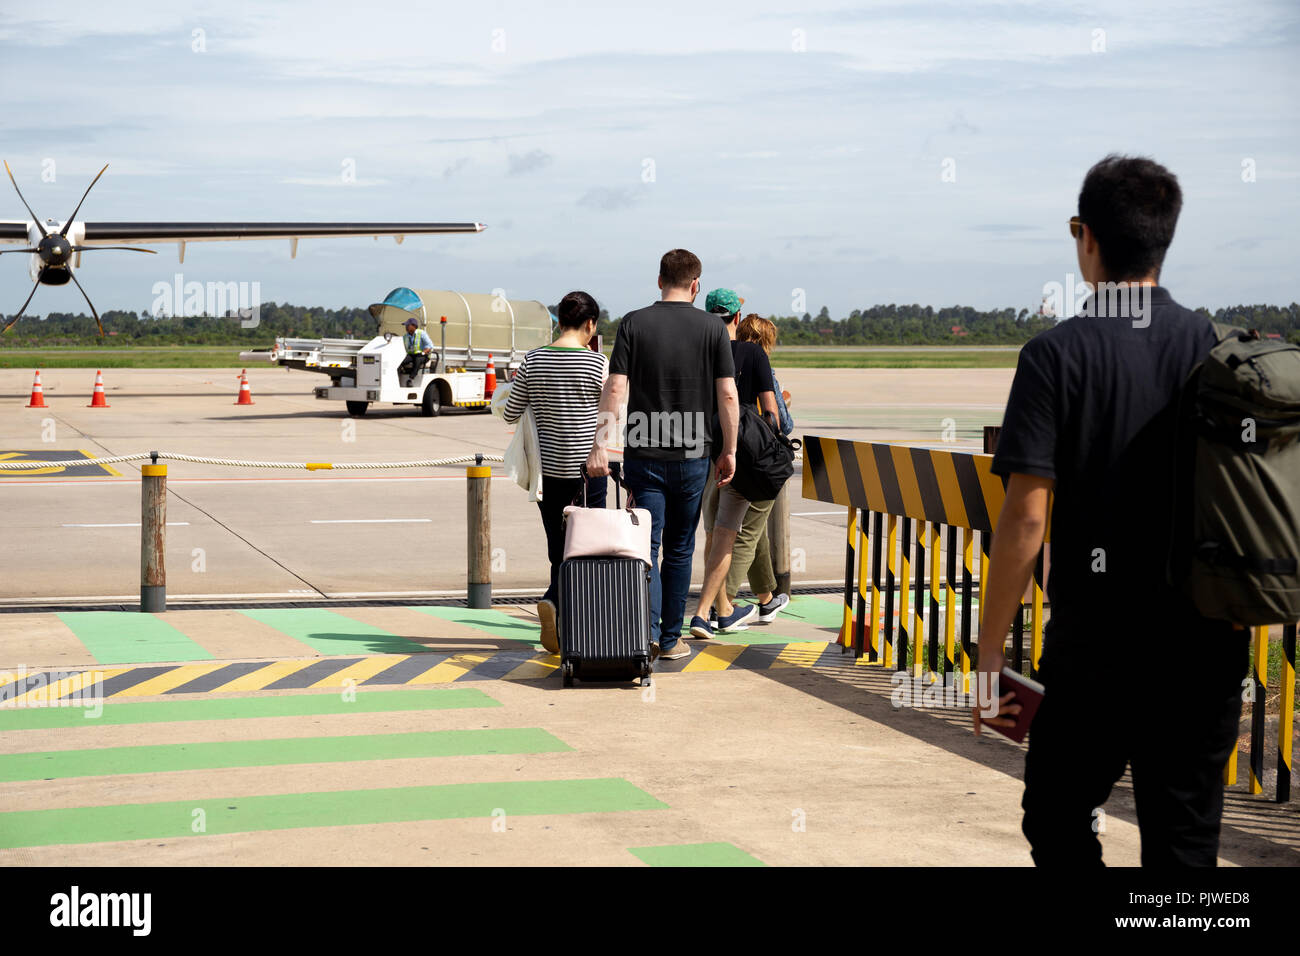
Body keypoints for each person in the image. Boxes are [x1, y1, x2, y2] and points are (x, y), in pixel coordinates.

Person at [973, 154, 1249, 866]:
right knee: (1184, 848)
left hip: (1095, 650)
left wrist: (989, 651)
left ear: (1086, 238)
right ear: (1164, 239)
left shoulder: (1054, 356)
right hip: (1204, 646)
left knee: (1057, 818)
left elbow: (1026, 519)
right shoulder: (1217, 351)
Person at [585, 249, 738, 661]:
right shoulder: (713, 328)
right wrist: (729, 449)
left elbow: (615, 389)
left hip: (643, 451)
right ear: (695, 285)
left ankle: (644, 633)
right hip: (692, 453)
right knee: (681, 548)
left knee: (644, 547)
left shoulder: (635, 322)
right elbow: (727, 393)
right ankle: (671, 639)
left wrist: (601, 444)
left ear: (658, 281)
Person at [502, 291, 608, 653]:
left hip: (548, 476)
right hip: (588, 474)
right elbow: (611, 418)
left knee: (557, 550)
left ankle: (558, 623)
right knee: (587, 551)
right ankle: (561, 610)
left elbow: (510, 411)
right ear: (590, 325)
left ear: (558, 321)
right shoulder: (598, 365)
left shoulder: (532, 362)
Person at [689, 295, 788, 639]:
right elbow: (771, 410)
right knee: (731, 535)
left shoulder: (698, 355)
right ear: (737, 316)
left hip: (704, 453)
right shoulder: (753, 353)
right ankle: (720, 608)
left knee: (712, 533)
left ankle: (723, 606)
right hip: (741, 457)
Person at [399, 317, 434, 385]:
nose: (406, 327)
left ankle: (411, 379)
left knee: (418, 359)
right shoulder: (405, 336)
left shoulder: (421, 333)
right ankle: (399, 375)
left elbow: (430, 346)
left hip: (423, 355)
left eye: (407, 325)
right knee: (400, 360)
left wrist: (423, 352)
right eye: (405, 325)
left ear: (414, 326)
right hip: (411, 355)